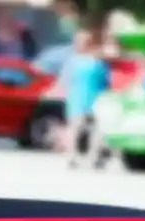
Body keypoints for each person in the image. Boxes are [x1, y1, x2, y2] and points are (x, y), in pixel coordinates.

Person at [60, 27, 110, 169]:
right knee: (77, 129)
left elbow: (105, 81)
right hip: (79, 98)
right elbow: (67, 80)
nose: (82, 44)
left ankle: (93, 156)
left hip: (93, 98)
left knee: (95, 130)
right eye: (80, 41)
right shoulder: (75, 61)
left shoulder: (96, 61)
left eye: (85, 41)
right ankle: (73, 156)